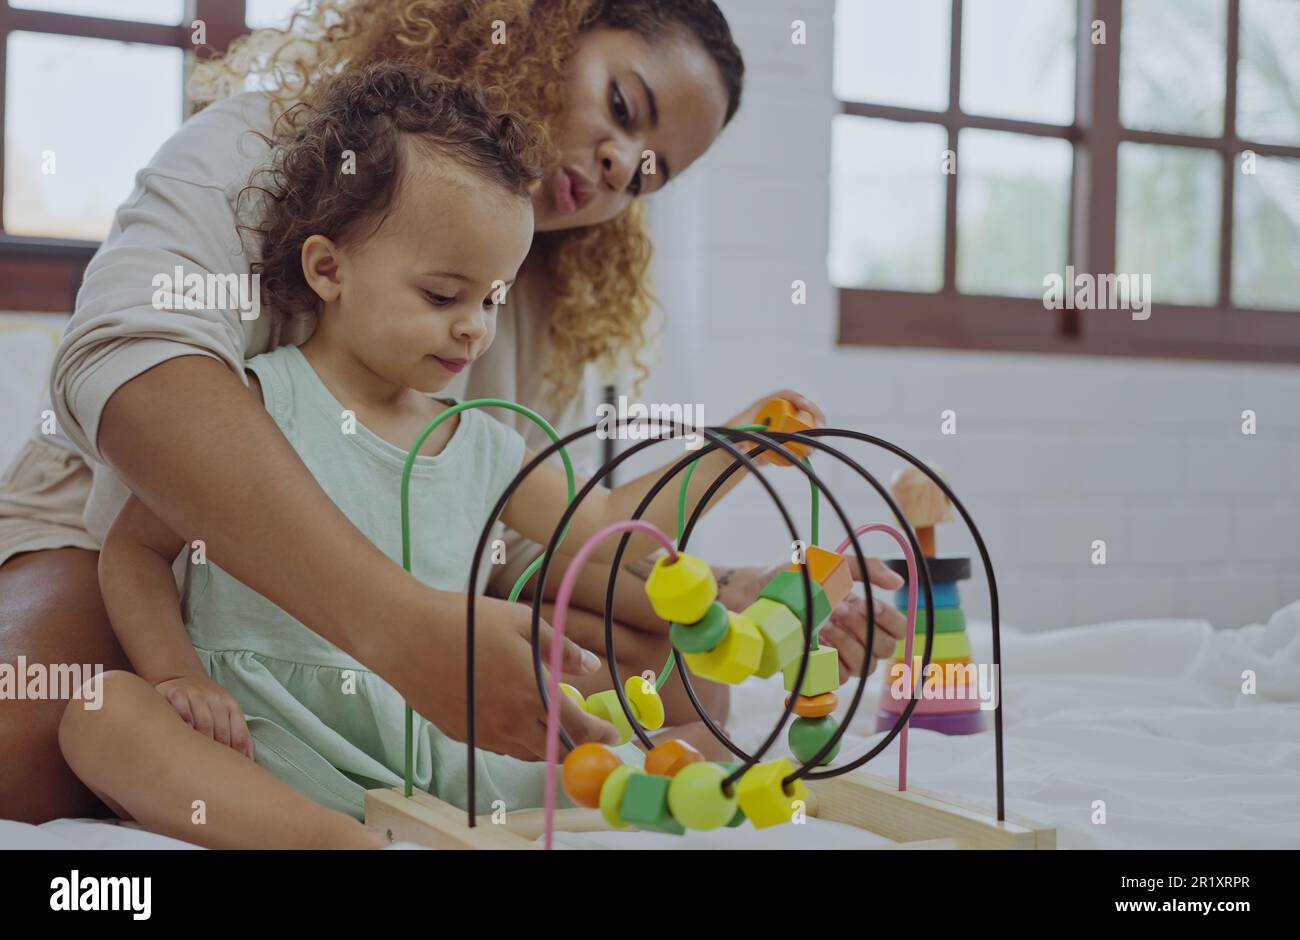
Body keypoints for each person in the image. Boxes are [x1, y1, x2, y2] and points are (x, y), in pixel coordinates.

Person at [0, 0, 906, 823]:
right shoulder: (278, 154)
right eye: (624, 108)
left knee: (658, 653)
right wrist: (396, 626)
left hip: (403, 603)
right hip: (117, 521)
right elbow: (139, 371)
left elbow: (539, 535)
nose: (624, 165)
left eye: (651, 172)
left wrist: (732, 601)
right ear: (546, 25)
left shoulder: (533, 300)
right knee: (27, 743)